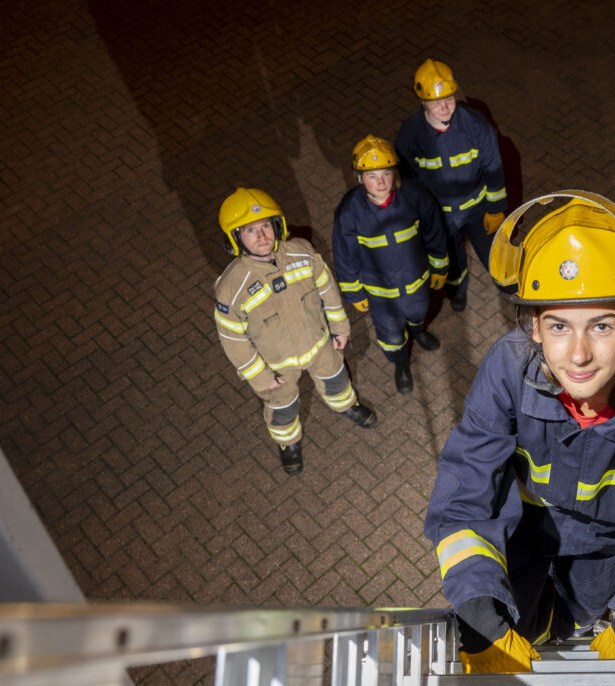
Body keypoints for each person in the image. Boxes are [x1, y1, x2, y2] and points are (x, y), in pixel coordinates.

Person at [424, 191, 615, 673]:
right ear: (534, 328)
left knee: (580, 613)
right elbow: (467, 487)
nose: (579, 354)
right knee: (518, 617)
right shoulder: (506, 370)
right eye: (560, 327)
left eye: (602, 326)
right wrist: (479, 609)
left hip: (604, 554)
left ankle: (571, 627)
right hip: (520, 540)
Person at [213, 187, 377, 476]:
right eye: (250, 231)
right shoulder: (231, 289)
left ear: (278, 225)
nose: (262, 236)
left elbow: (327, 289)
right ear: (235, 238)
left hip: (319, 345)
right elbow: (233, 340)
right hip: (277, 369)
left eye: (266, 226)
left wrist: (339, 327)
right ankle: (289, 443)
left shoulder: (302, 253)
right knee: (283, 409)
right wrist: (260, 377)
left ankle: (347, 406)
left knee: (337, 379)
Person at [331, 135, 449, 395]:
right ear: (360, 178)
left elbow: (434, 232)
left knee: (418, 313)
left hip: (416, 281)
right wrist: (354, 292)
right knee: (392, 336)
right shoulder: (349, 211)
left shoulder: (414, 195)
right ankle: (401, 363)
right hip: (381, 294)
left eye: (385, 173)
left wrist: (440, 266)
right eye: (372, 176)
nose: (381, 182)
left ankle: (418, 332)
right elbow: (344, 255)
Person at [395, 59, 507, 312]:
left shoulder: (476, 125)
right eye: (435, 102)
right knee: (451, 255)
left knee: (494, 252)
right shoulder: (410, 134)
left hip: (478, 208)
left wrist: (496, 207)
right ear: (422, 101)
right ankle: (457, 289)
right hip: (440, 214)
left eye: (449, 98)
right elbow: (407, 179)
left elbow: (494, 168)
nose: (444, 107)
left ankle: (510, 287)